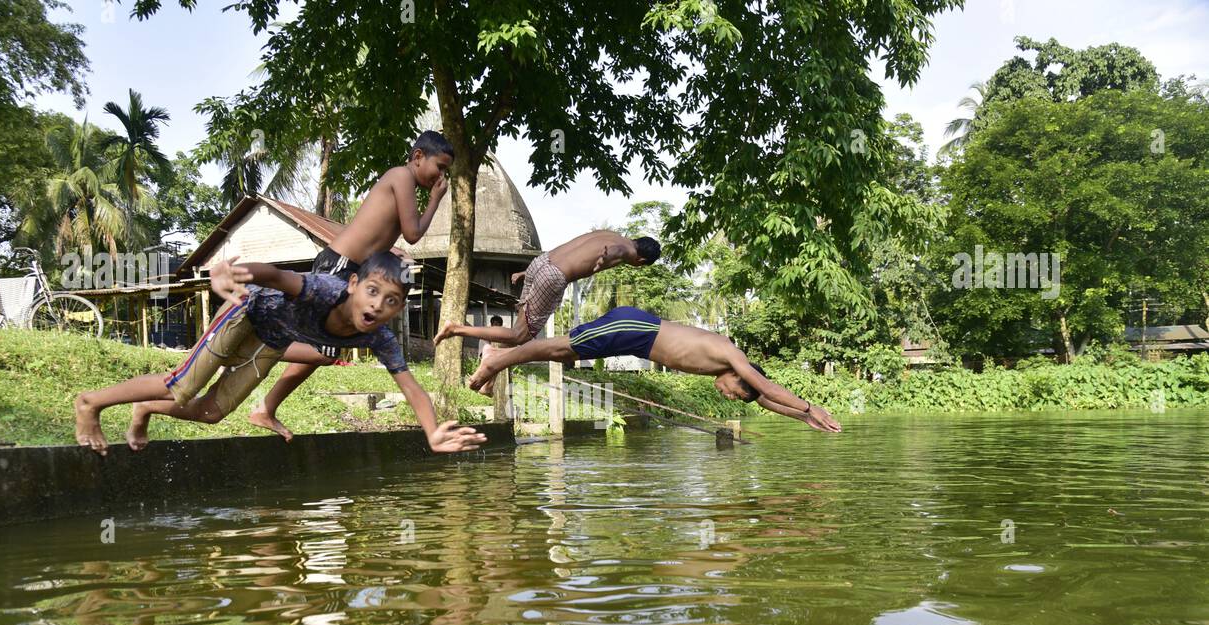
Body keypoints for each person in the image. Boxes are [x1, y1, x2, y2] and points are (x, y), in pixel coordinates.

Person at [73, 252, 486, 455]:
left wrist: (431, 432)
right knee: (182, 387)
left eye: (392, 301)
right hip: (245, 309)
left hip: (272, 340)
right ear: (353, 284)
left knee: (213, 412)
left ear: (399, 309)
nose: (378, 306)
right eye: (373, 292)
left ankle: (144, 409)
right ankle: (90, 403)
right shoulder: (325, 289)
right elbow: (275, 275)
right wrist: (232, 274)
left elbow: (413, 389)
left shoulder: (380, 338)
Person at [248, 130, 453, 440]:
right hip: (341, 266)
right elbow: (413, 233)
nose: (441, 176)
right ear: (418, 157)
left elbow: (378, 228)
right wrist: (435, 201)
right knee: (323, 350)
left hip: (350, 265)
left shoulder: (401, 182)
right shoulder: (402, 176)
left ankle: (266, 405)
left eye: (446, 172)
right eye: (440, 167)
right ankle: (261, 346)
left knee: (325, 350)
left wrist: (386, 251)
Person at [467, 305, 842, 432]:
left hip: (636, 338)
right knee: (561, 346)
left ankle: (497, 359)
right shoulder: (732, 355)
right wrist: (812, 407)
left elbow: (763, 399)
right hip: (636, 330)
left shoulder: (728, 367)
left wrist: (801, 419)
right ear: (738, 377)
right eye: (733, 391)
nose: (727, 394)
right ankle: (496, 361)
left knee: (564, 355)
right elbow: (767, 387)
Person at [434, 230, 661, 394]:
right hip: (553, 277)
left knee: (517, 332)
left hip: (541, 263)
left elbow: (572, 246)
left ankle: (490, 380)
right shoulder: (623, 249)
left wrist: (527, 272)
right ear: (641, 260)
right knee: (519, 336)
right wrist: (605, 257)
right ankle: (457, 330)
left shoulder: (610, 233)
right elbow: (615, 251)